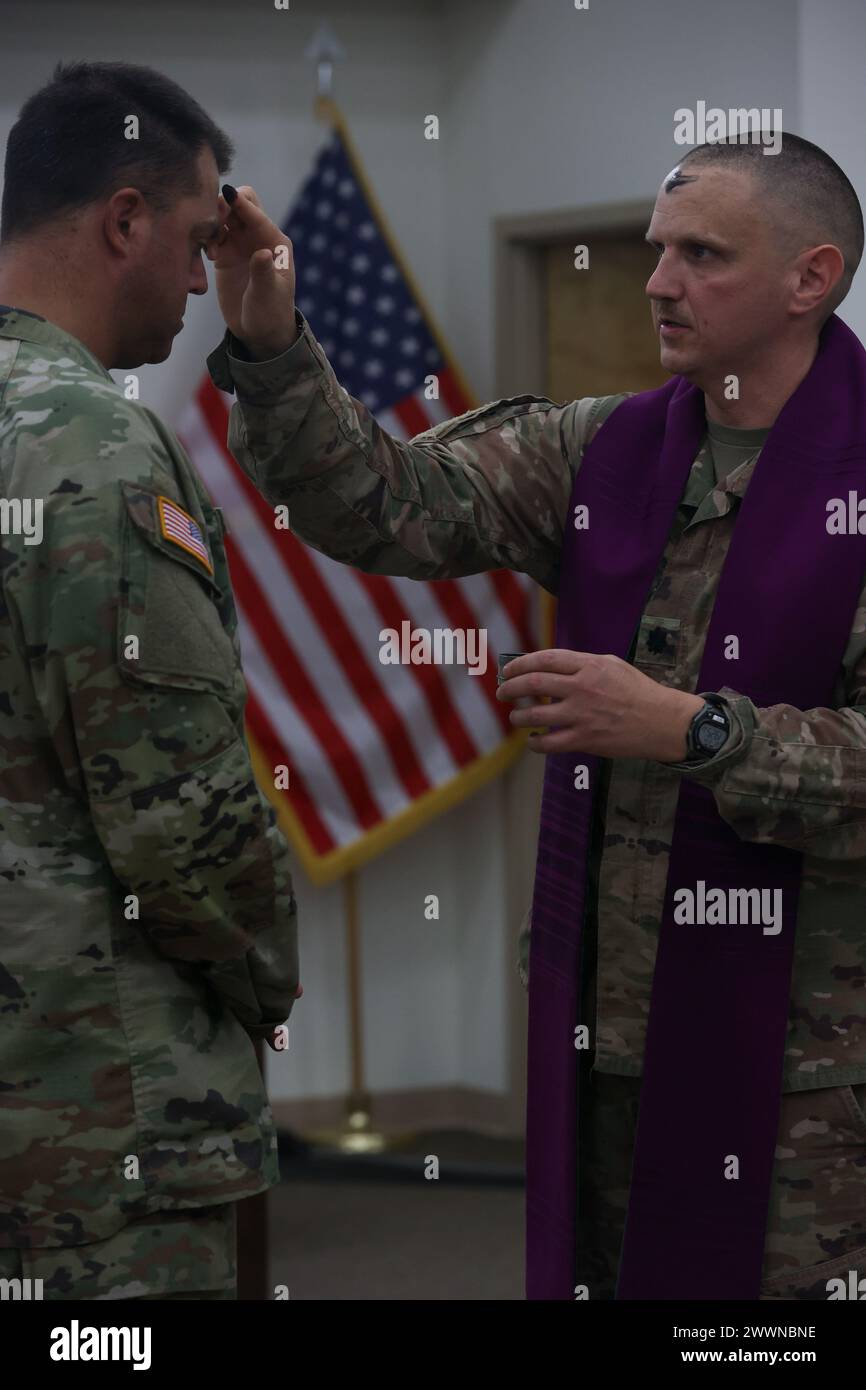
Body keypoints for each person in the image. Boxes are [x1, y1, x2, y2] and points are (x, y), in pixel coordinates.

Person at [205, 133, 866, 1300]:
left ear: (809, 278)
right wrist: (271, 348)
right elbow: (380, 505)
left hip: (804, 1071)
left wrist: (692, 730)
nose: (655, 281)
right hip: (598, 1031)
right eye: (657, 251)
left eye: (699, 254)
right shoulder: (602, 448)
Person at [0, 61, 300, 1301]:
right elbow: (177, 818)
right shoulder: (92, 439)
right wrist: (266, 972)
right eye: (187, 240)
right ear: (123, 219)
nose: (196, 278)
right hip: (95, 1107)